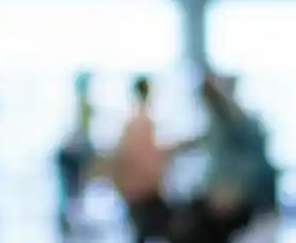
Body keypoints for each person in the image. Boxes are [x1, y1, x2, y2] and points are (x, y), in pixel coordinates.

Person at [171, 74, 269, 243]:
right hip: (212, 196)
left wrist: (235, 189)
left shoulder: (244, 125)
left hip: (234, 198)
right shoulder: (217, 125)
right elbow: (201, 140)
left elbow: (255, 165)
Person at [113, 76, 172, 243]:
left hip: (134, 189)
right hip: (144, 190)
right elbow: (146, 160)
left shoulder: (130, 122)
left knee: (142, 234)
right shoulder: (143, 122)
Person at [56, 73, 95, 233]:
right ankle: (69, 223)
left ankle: (69, 222)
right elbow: (81, 133)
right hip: (72, 154)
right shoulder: (82, 104)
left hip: (71, 153)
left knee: (72, 191)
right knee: (73, 190)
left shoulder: (79, 103)